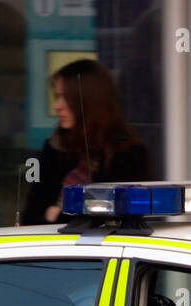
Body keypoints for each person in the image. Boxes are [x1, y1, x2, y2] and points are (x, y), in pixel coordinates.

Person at [20, 59, 150, 225]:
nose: (57, 106)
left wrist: (58, 215)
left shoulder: (127, 155)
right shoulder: (55, 148)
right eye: (56, 97)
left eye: (64, 98)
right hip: (50, 248)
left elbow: (116, 220)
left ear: (88, 101)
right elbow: (31, 217)